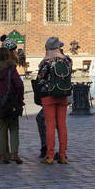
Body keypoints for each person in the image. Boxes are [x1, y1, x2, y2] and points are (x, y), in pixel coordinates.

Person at [0, 45, 25, 164]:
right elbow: (19, 85)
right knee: (13, 128)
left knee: (1, 129)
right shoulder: (10, 69)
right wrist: (20, 98)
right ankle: (14, 154)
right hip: (11, 102)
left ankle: (2, 156)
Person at [35, 36, 72, 164]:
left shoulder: (47, 62)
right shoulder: (67, 60)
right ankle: (62, 155)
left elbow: (40, 79)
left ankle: (50, 156)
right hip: (63, 95)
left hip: (48, 96)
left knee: (50, 125)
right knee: (62, 125)